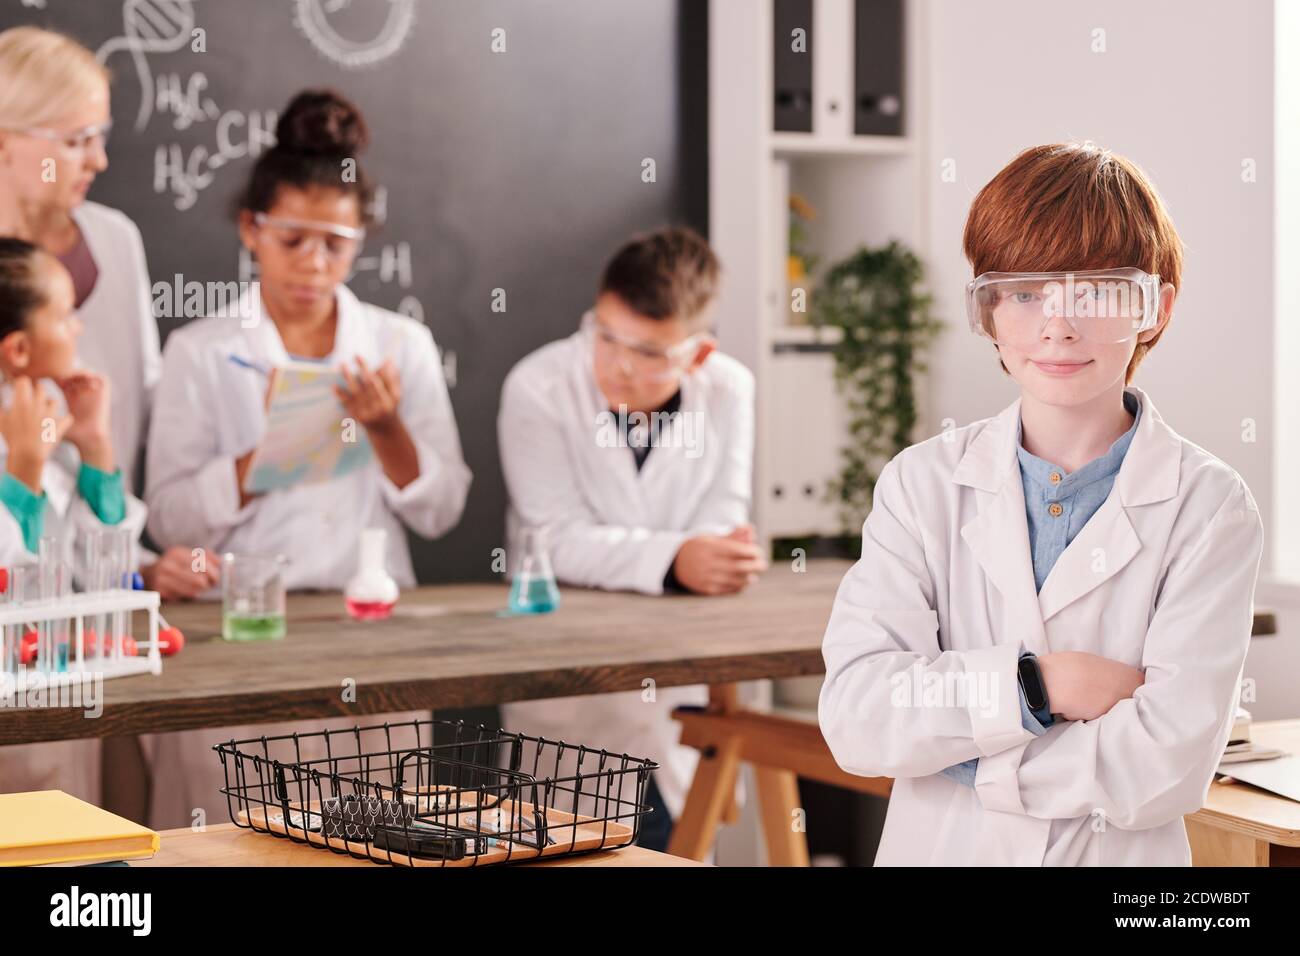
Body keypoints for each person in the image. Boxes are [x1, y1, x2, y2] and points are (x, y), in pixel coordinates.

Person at [819, 142, 1264, 866]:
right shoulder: (921, 484)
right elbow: (860, 719)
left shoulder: (1209, 506)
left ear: (1156, 309)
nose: (1058, 325)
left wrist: (965, 751)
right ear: (990, 311)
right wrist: (1041, 685)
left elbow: (1168, 765)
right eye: (1025, 293)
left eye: (1096, 291)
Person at [142, 89, 472, 829]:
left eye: (336, 243)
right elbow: (168, 521)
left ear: (360, 241)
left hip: (366, 631)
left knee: (375, 837)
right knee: (224, 838)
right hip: (234, 632)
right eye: (293, 239)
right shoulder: (200, 350)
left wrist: (386, 431)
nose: (314, 264)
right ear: (251, 227)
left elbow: (444, 508)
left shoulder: (398, 345)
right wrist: (260, 460)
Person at [497, 226, 762, 849]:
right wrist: (678, 558)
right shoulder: (538, 385)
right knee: (564, 846)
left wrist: (718, 553)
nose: (617, 364)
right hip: (570, 678)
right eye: (606, 335)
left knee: (675, 844)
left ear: (697, 354)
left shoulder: (729, 389)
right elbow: (551, 539)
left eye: (648, 352)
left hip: (680, 676)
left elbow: (722, 516)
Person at [0, 25, 210, 601]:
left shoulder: (115, 241)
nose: (98, 159)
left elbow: (132, 415)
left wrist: (133, 565)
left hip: (100, 595)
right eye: (74, 140)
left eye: (102, 135)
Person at [0, 238, 147, 802]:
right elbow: (12, 578)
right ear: (17, 350)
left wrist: (96, 449)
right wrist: (21, 475)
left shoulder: (49, 429)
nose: (78, 330)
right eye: (64, 316)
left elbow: (107, 578)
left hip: (64, 694)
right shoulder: (27, 445)